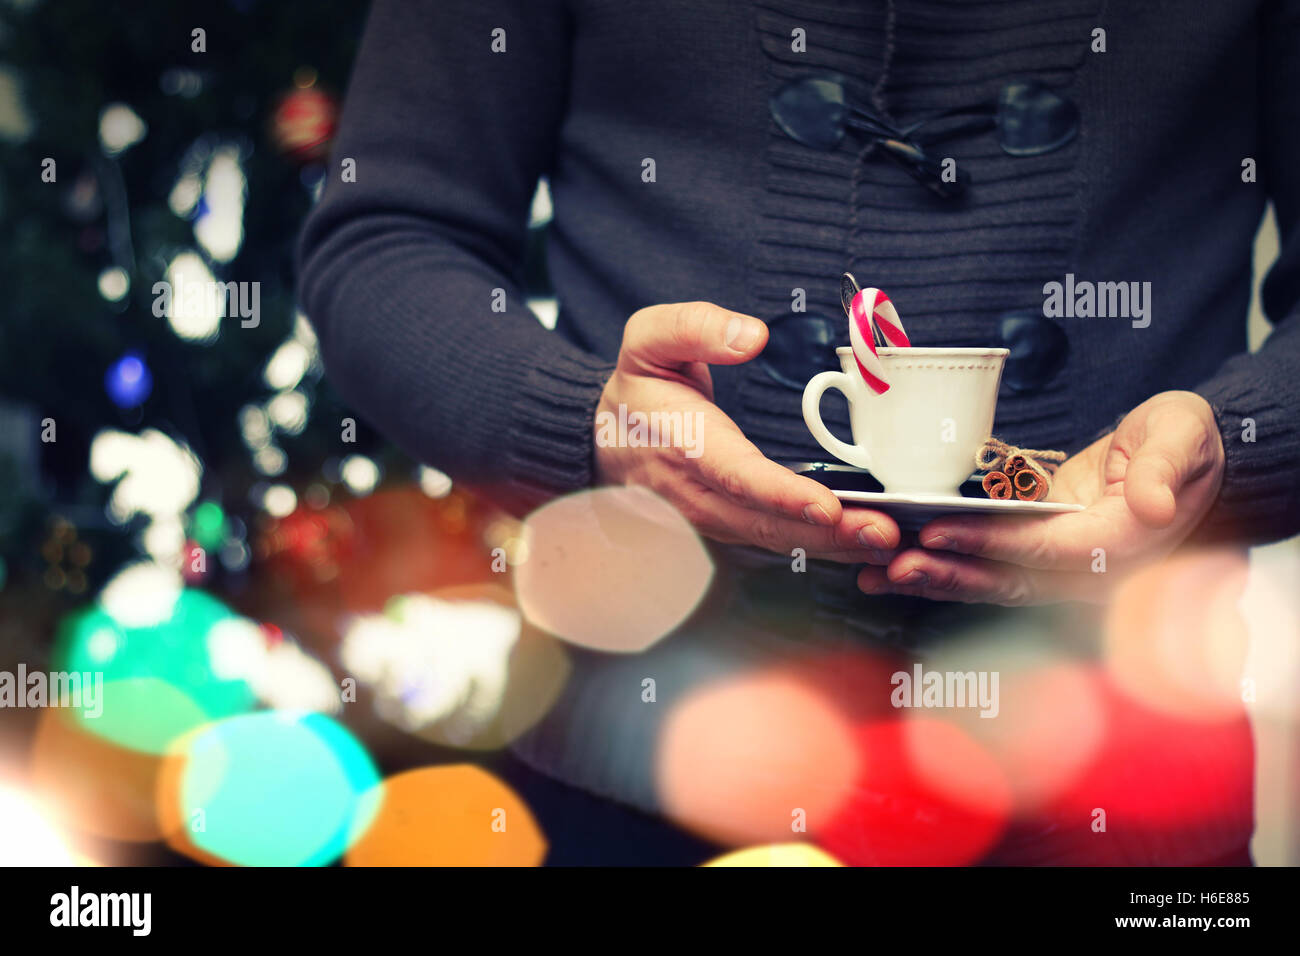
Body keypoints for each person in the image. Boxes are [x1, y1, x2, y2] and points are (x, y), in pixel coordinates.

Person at [298, 0, 1298, 864]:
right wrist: (589, 423)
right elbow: (386, 239)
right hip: (635, 767)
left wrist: (1231, 445)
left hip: (1129, 793)